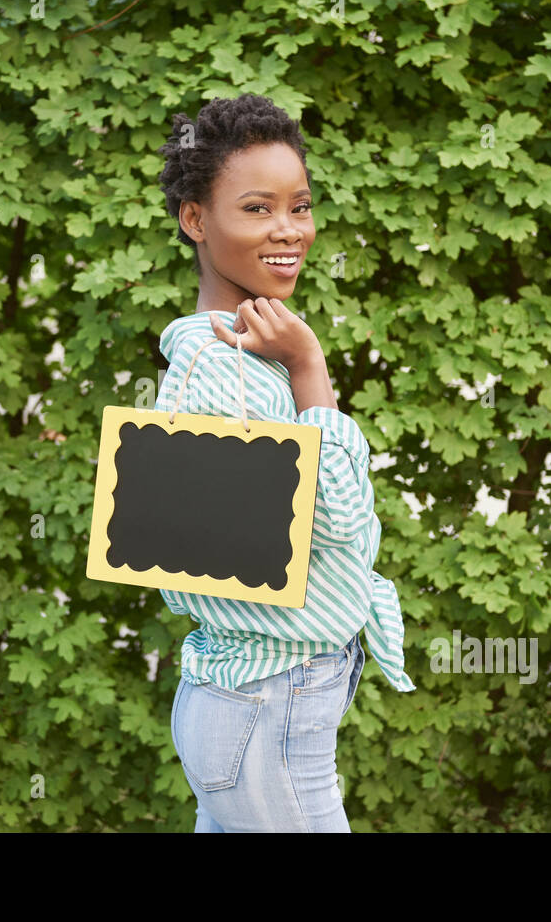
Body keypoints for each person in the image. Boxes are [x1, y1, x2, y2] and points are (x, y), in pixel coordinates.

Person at [154, 94, 416, 832]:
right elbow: (340, 528)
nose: (288, 231)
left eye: (299, 207)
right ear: (196, 220)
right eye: (258, 207)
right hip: (267, 709)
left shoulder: (230, 358)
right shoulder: (232, 376)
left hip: (244, 704)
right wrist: (310, 365)